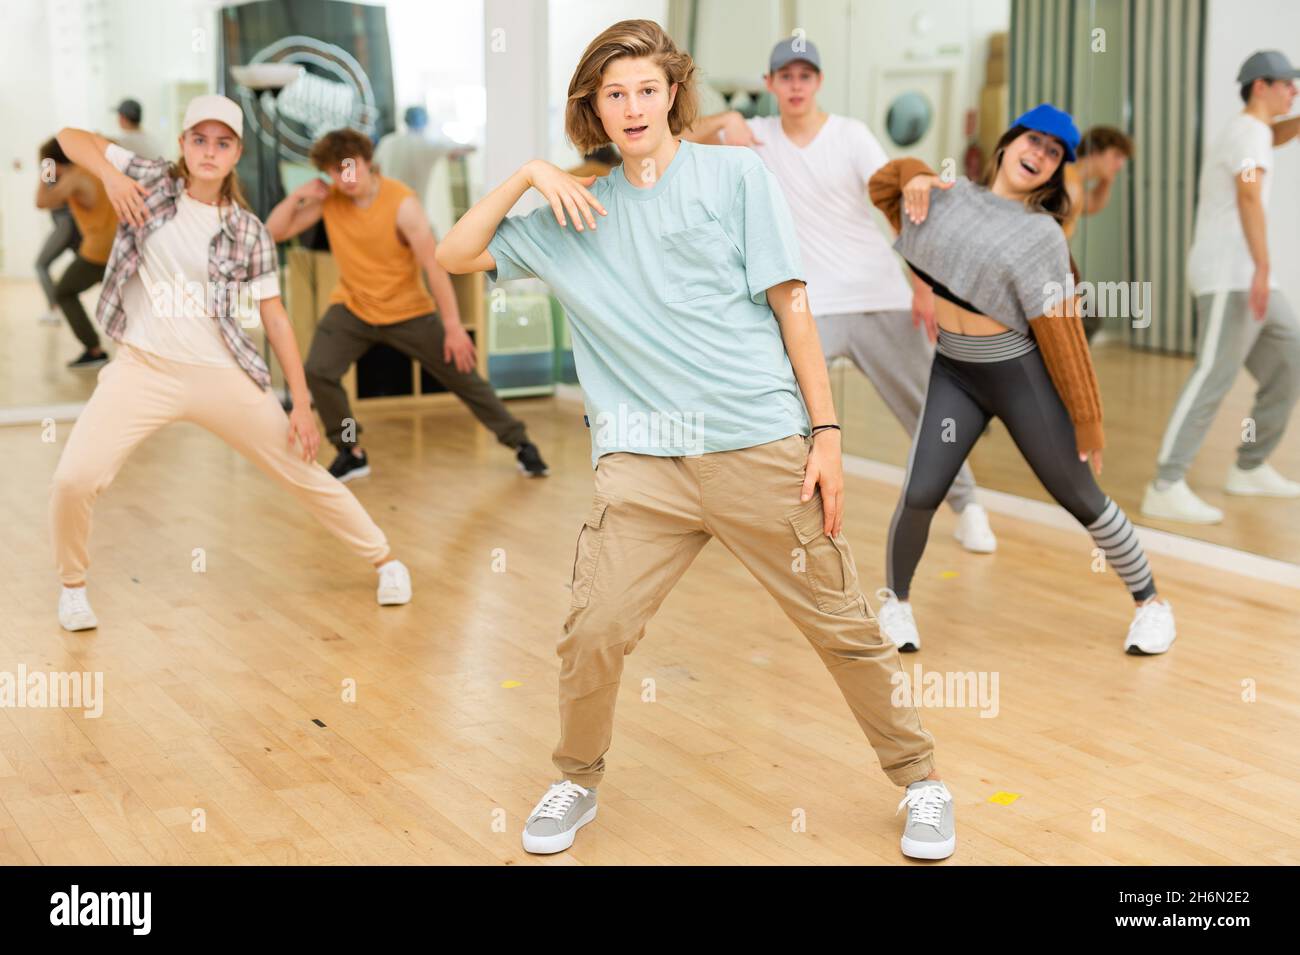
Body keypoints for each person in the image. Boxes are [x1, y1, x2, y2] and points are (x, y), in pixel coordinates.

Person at [437, 18, 957, 861]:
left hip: (759, 447)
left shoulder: (735, 176)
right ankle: (576, 777)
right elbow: (454, 250)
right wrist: (531, 173)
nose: (634, 106)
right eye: (615, 94)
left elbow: (793, 303)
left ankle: (923, 781)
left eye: (648, 88)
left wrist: (824, 433)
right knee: (592, 629)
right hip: (644, 467)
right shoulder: (574, 209)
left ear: (673, 93)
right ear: (594, 110)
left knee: (845, 628)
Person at [48, 95, 412, 633]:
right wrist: (109, 176)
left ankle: (386, 560)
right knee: (73, 480)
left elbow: (277, 319)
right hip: (142, 368)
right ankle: (73, 587)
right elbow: (68, 136)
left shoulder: (248, 230)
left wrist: (302, 404)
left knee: (303, 471)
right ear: (183, 145)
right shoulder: (148, 179)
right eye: (199, 140)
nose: (209, 152)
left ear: (237, 152)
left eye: (222, 143)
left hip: (222, 373)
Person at [868, 104, 1177, 655]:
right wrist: (914, 170)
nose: (1039, 155)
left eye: (1054, 153)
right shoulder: (949, 197)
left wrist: (1087, 419)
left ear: (1058, 172)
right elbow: (883, 185)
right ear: (1007, 145)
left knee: (1080, 496)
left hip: (1017, 374)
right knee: (920, 490)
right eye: (1032, 141)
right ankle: (897, 604)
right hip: (954, 371)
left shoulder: (1042, 235)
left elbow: (1063, 337)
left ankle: (1152, 604)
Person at [683, 37, 998, 555]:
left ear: (819, 82)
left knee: (925, 409)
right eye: (786, 76)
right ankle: (769, 512)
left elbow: (899, 201)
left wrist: (924, 287)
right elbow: (672, 143)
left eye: (805, 76)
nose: (796, 85)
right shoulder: (752, 137)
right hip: (809, 307)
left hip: (877, 294)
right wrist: (722, 122)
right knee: (779, 408)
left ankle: (969, 507)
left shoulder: (851, 136)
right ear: (770, 85)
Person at [266, 128, 548, 481]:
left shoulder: (402, 204)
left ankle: (520, 443)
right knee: (320, 372)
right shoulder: (331, 199)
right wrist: (300, 196)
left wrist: (452, 327)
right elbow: (273, 233)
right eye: (337, 170)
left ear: (369, 163)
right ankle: (350, 449)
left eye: (351, 167)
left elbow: (435, 265)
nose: (346, 177)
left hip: (408, 312)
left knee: (464, 378)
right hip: (352, 308)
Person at [1142, 50, 1300, 524]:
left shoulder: (1252, 132)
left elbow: (1274, 135)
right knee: (1213, 374)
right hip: (1231, 274)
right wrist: (1262, 264)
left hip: (1252, 274)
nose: (1294, 92)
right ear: (1260, 86)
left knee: (1290, 361)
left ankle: (1249, 466)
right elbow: (1248, 192)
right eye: (1288, 84)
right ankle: (1164, 484)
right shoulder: (1246, 132)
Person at [35, 138, 114, 368]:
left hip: (98, 249)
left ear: (53, 161)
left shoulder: (74, 177)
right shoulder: (91, 169)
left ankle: (94, 349)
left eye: (47, 163)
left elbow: (42, 201)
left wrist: (45, 172)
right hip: (113, 245)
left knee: (64, 292)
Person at [1062, 126, 1134, 340]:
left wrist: (1107, 178)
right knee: (1086, 320)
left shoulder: (1073, 180)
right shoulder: (1066, 179)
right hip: (1046, 266)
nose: (1120, 164)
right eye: (1116, 156)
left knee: (1088, 320)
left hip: (1056, 265)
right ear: (1094, 151)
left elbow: (1092, 204)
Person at [35, 204, 83, 325]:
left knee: (40, 265)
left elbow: (41, 201)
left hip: (66, 222)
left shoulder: (51, 183)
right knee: (93, 268)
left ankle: (54, 309)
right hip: (70, 223)